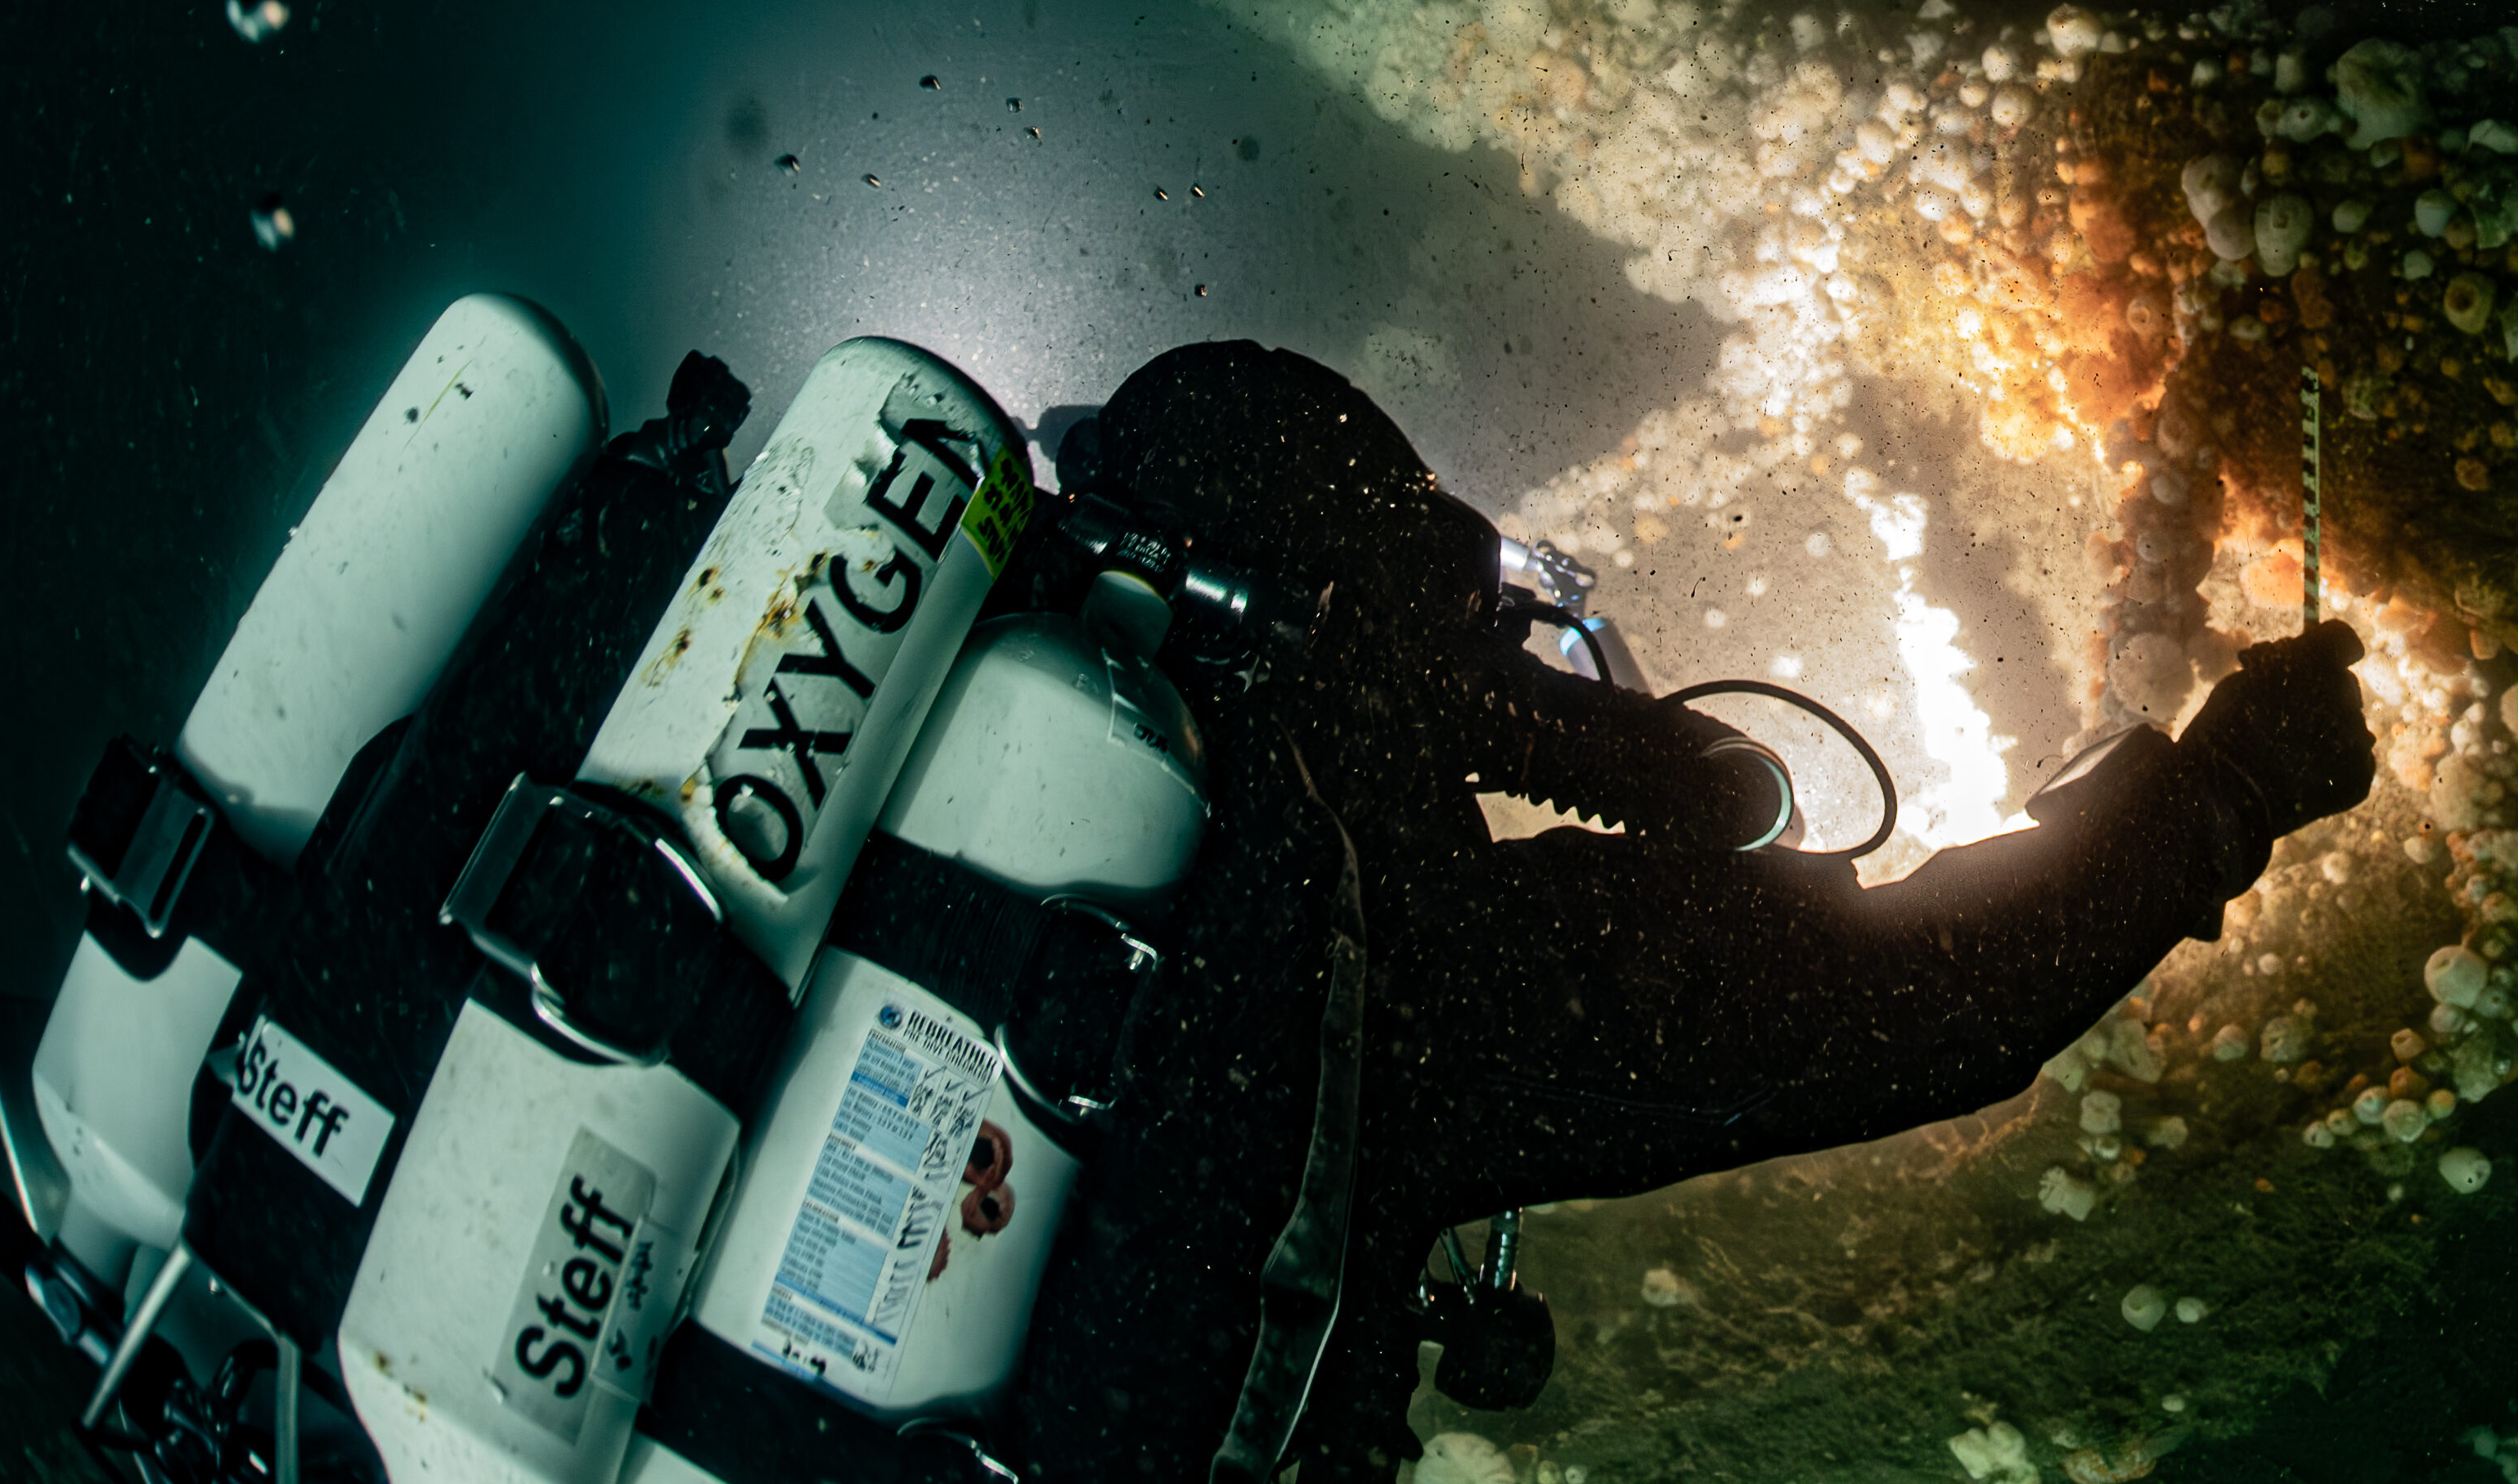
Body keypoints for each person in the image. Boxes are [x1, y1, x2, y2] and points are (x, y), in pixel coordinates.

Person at [996, 342, 2377, 1477]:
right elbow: (1936, 1003)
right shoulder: (1381, 968)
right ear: (1337, 611)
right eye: (1446, 610)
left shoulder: (1017, 819)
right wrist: (2228, 790)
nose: (1490, 662)